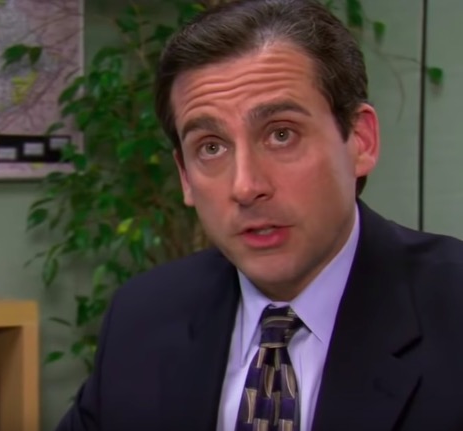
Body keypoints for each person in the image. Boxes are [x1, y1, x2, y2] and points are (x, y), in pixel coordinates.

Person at [55, 0, 463, 430]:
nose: (246, 186)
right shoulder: (143, 317)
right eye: (211, 147)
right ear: (185, 177)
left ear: (361, 140)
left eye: (281, 134)